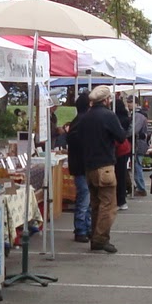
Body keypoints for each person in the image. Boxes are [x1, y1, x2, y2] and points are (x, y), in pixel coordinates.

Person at [72, 85, 127, 253]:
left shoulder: (85, 118)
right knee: (108, 205)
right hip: (105, 165)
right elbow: (121, 136)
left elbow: (77, 138)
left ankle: (95, 235)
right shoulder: (108, 116)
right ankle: (101, 238)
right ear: (106, 100)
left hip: (89, 166)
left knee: (95, 204)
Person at [65, 94, 92, 243]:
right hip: (82, 165)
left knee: (85, 198)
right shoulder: (83, 121)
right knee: (84, 198)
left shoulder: (78, 120)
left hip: (79, 165)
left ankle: (85, 227)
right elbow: (76, 140)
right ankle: (81, 229)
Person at [114, 95, 134, 209]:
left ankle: (119, 200)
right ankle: (122, 199)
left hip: (118, 148)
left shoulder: (114, 118)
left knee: (118, 174)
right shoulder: (126, 118)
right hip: (125, 147)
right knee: (122, 173)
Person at [130, 102, 149, 196]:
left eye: (130, 102)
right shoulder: (139, 115)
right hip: (139, 144)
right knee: (137, 166)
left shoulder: (138, 115)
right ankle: (140, 187)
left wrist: (125, 134)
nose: (129, 104)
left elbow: (134, 129)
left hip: (138, 144)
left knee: (137, 166)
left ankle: (141, 187)